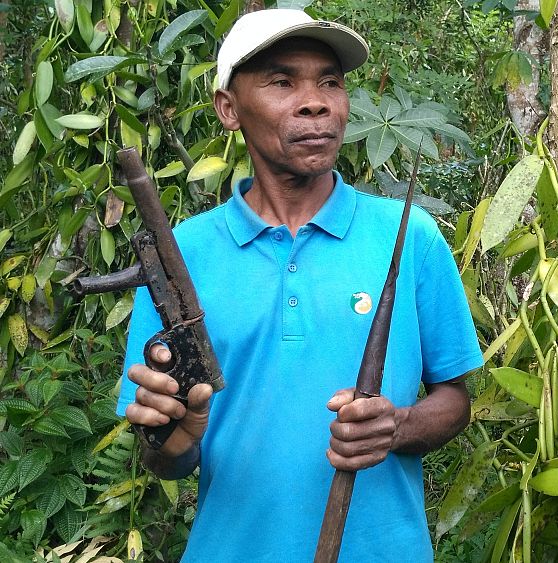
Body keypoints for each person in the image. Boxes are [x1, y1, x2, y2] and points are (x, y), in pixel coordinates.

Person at [115, 9, 483, 562]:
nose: (315, 102)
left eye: (329, 82)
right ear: (229, 109)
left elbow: (454, 402)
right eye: (283, 82)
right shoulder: (181, 257)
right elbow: (165, 460)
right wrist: (181, 435)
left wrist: (397, 426)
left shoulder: (410, 238)